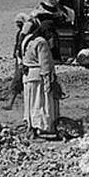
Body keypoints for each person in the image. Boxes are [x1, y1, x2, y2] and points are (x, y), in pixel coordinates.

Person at [20, 10, 59, 139]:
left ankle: (30, 126)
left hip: (27, 77)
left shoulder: (27, 40)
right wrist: (49, 82)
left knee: (30, 103)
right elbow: (45, 64)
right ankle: (42, 128)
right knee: (40, 103)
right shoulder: (41, 42)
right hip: (39, 78)